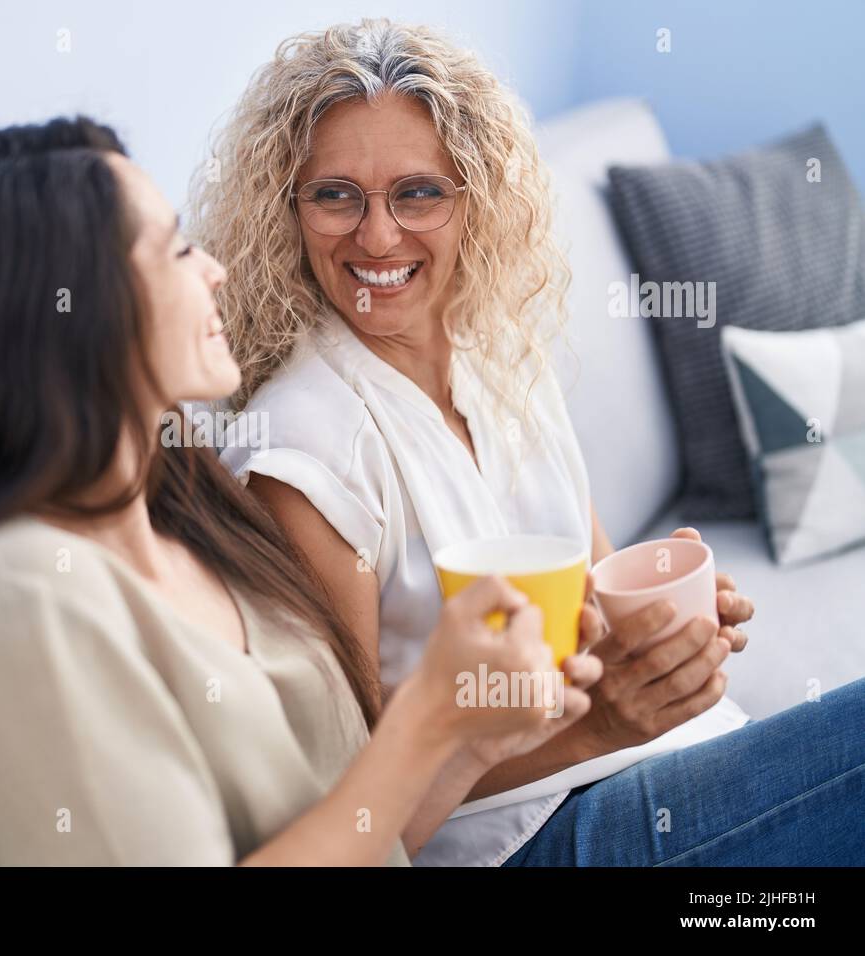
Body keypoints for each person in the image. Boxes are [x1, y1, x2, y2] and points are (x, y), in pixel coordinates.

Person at [0, 116, 601, 865]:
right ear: (60, 308)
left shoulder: (194, 511)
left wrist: (470, 742)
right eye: (172, 248)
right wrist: (427, 722)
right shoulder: (26, 594)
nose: (215, 269)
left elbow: (365, 829)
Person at [198, 18, 865, 865]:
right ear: (287, 210)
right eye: (335, 195)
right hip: (526, 836)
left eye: (418, 192)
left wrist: (666, 638)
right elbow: (358, 809)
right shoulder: (304, 452)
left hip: (652, 761)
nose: (375, 237)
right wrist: (601, 727)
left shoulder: (498, 359)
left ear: (473, 197)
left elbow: (589, 605)